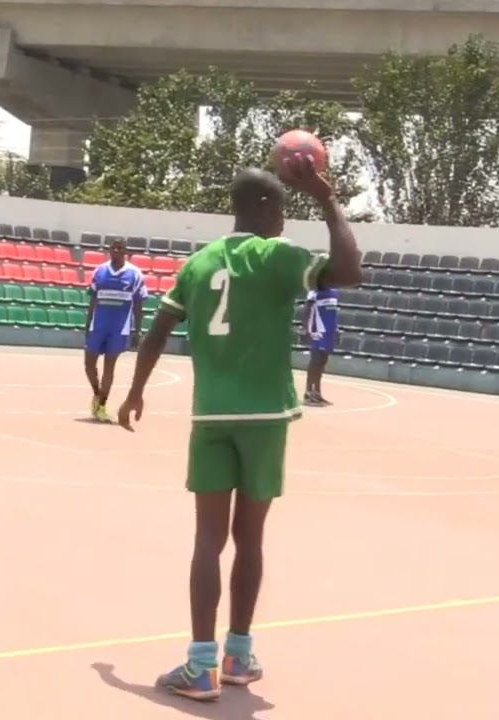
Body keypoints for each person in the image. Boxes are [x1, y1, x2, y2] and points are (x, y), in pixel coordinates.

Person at [116, 160, 362, 701]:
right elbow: (348, 272)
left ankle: (200, 666)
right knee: (250, 539)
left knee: (208, 539)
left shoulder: (198, 263)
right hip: (265, 416)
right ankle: (239, 654)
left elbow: (157, 332)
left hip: (212, 414)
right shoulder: (275, 256)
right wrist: (327, 200)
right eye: (283, 210)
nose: (283, 221)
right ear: (268, 208)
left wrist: (135, 391)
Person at [83, 237, 147, 422]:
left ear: (126, 252)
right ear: (109, 251)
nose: (116, 251)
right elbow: (93, 300)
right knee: (89, 364)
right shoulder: (100, 271)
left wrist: (137, 331)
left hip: (119, 328)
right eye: (113, 248)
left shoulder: (135, 274)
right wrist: (87, 325)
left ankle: (102, 406)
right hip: (98, 325)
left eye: (120, 248)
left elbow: (138, 305)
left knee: (109, 368)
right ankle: (97, 393)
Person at [301, 282, 339, 407]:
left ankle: (317, 393)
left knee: (323, 361)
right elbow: (307, 309)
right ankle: (308, 393)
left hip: (329, 330)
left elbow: (333, 312)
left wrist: (336, 328)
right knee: (315, 359)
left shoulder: (334, 291)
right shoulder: (315, 291)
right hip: (317, 328)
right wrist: (305, 328)